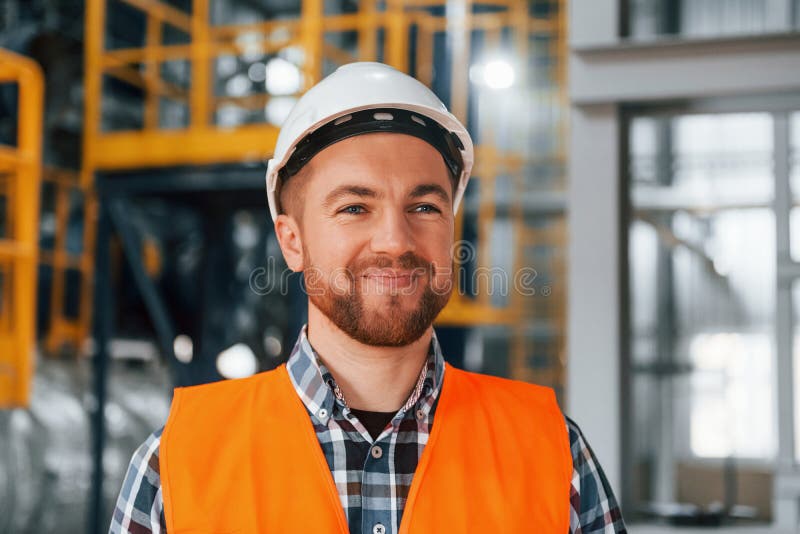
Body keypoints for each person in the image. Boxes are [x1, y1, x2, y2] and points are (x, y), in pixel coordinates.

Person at [110, 62, 626, 534]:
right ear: (292, 241)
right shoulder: (176, 464)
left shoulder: (555, 455)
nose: (396, 242)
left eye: (424, 207)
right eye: (355, 207)